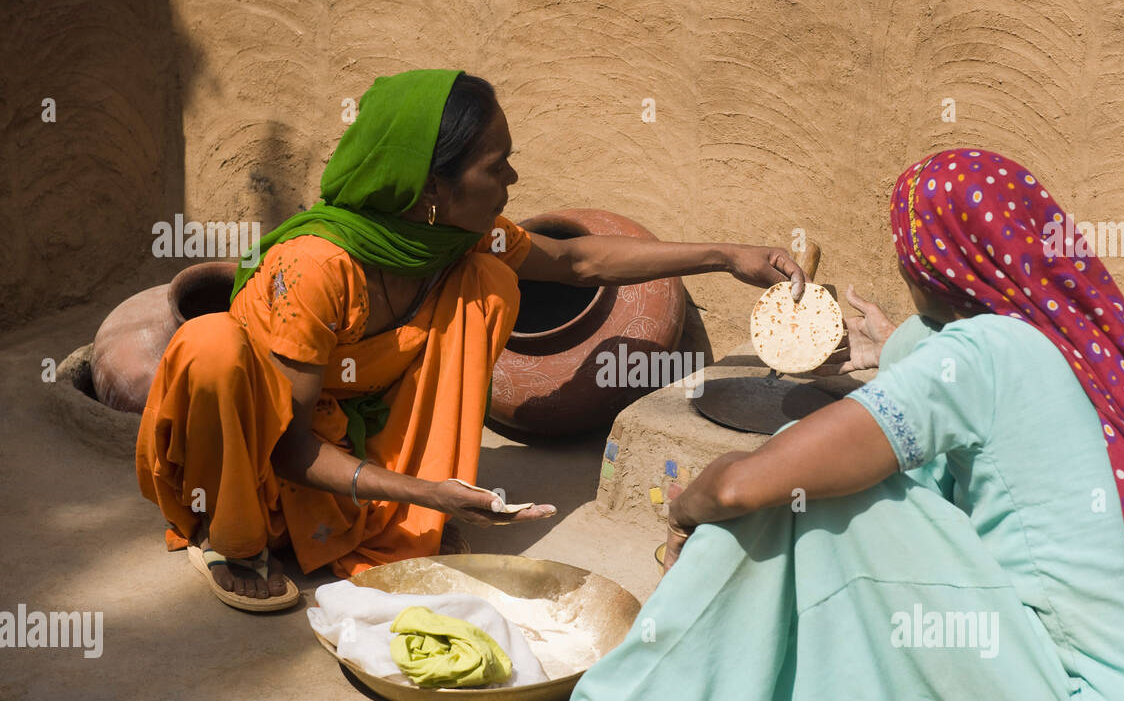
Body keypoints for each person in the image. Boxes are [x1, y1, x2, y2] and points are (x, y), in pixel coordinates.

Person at [418, 148, 1124, 701]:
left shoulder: (980, 354)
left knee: (793, 494)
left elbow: (749, 483)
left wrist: (693, 503)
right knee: (811, 488)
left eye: (911, 247)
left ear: (935, 261)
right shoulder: (1084, 346)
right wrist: (889, 350)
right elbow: (956, 378)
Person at [134, 69, 807, 611]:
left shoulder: (456, 239)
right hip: (257, 454)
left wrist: (725, 253)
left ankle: (390, 519)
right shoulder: (317, 267)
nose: (512, 182)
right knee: (213, 347)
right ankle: (232, 535)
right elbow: (288, 443)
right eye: (498, 166)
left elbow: (578, 262)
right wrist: (425, 494)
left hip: (341, 446)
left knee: (489, 283)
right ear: (432, 189)